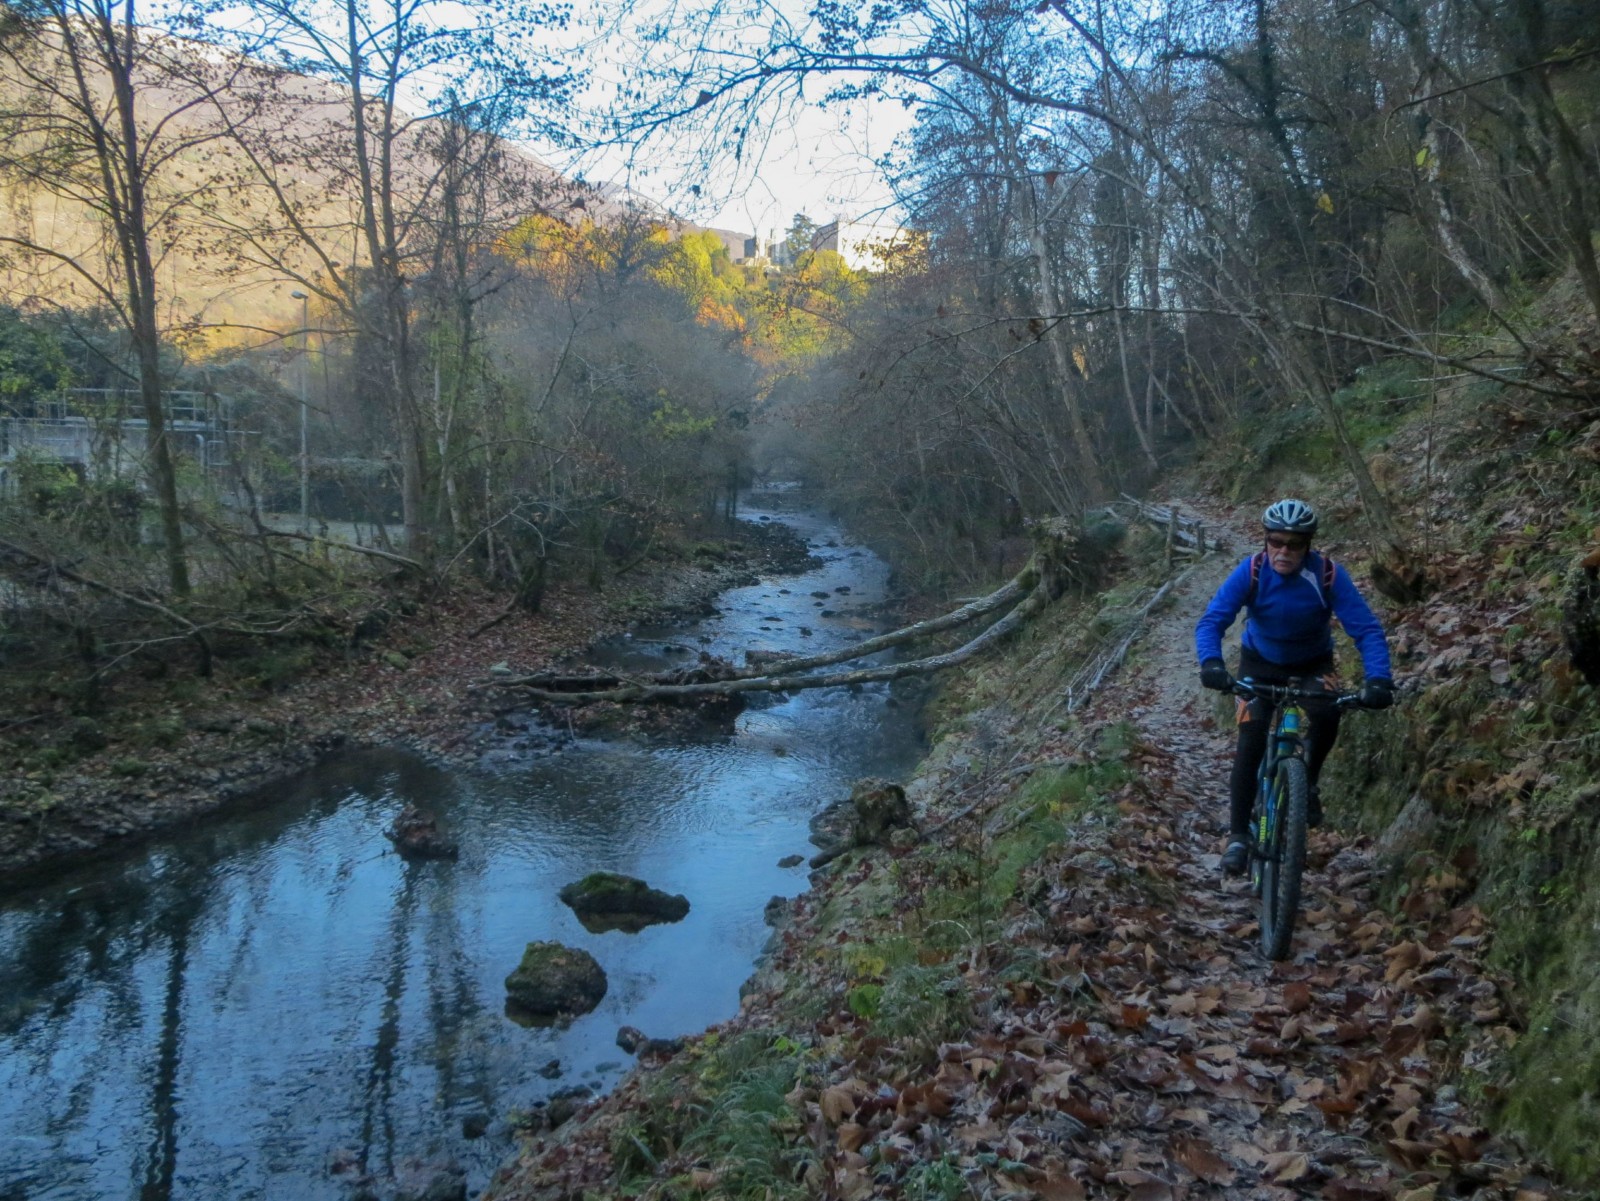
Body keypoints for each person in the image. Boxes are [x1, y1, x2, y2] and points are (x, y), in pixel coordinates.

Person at [1194, 499, 1394, 875]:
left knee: (1327, 710)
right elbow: (1212, 620)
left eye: (1295, 544)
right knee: (1250, 739)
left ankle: (1309, 783)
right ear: (1265, 540)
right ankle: (1238, 836)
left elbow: (1365, 628)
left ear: (1309, 545)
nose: (1284, 550)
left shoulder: (1328, 575)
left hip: (1312, 663)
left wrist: (1379, 679)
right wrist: (1212, 663)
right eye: (1276, 541)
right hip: (1259, 662)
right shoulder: (1251, 571)